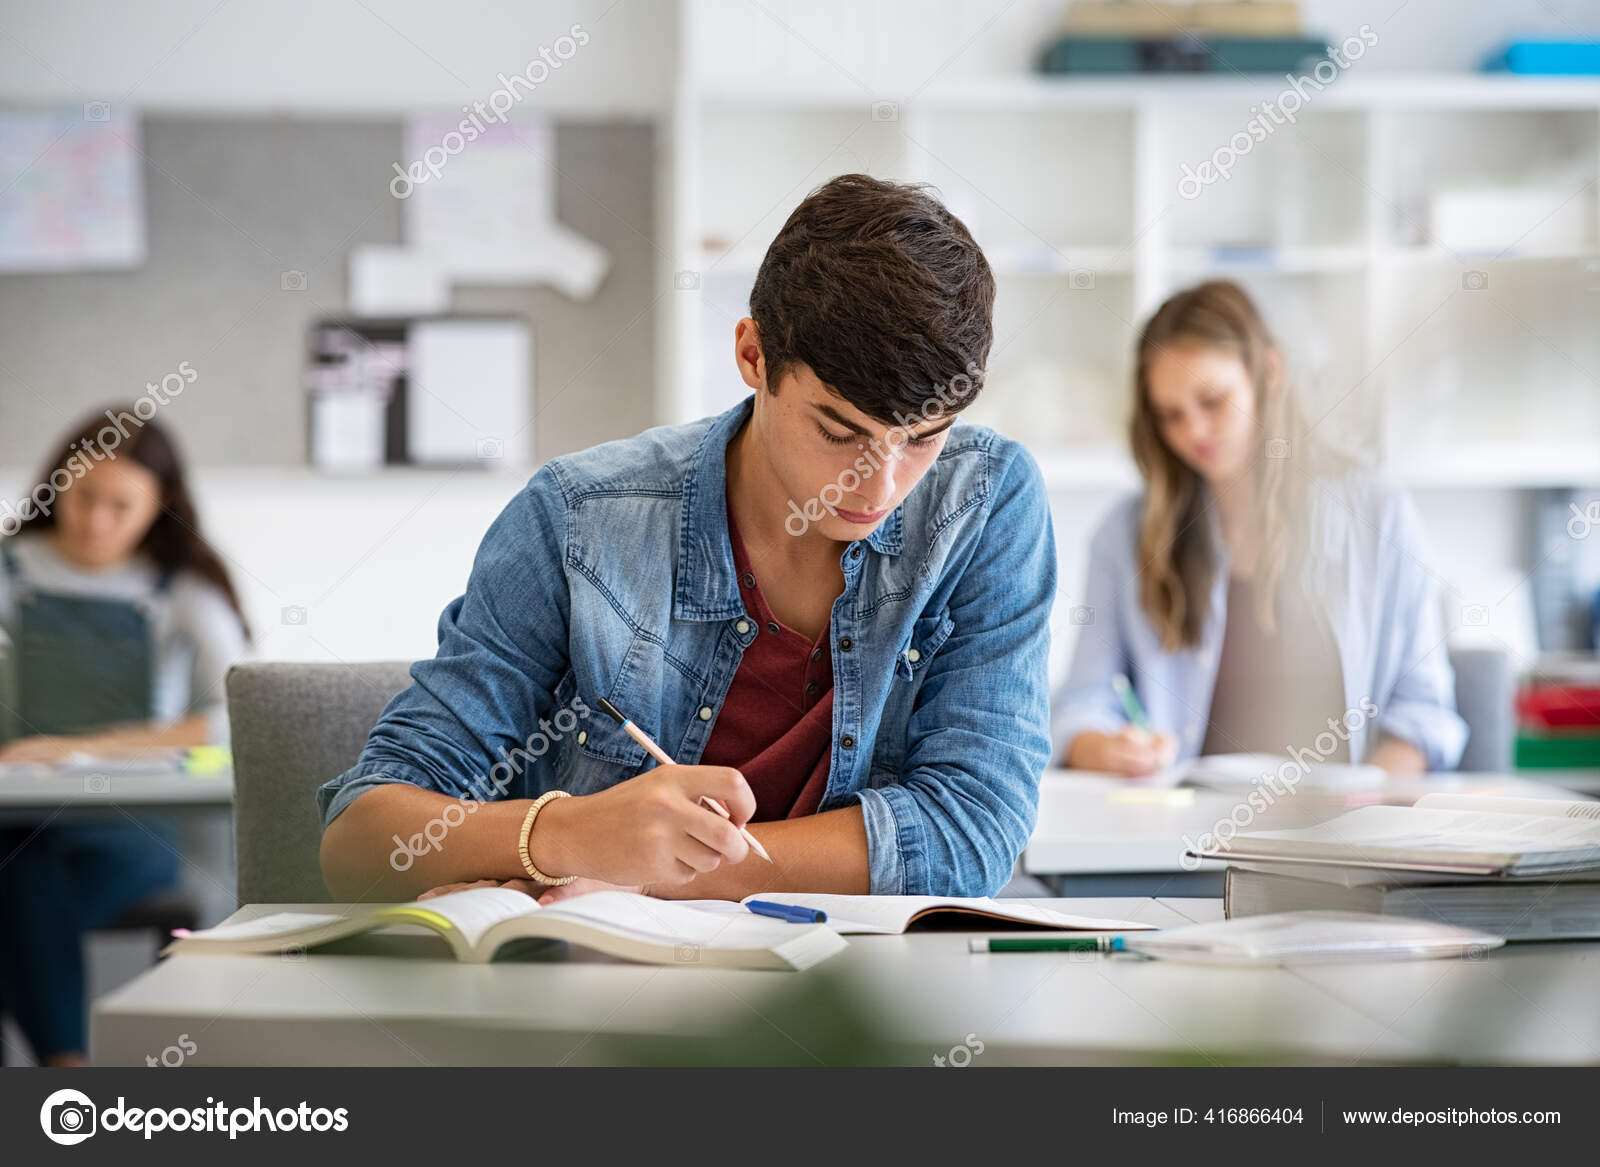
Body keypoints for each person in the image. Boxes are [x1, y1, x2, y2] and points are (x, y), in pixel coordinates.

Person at [317, 173, 1056, 905]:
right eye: (839, 431)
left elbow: (972, 833)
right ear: (752, 355)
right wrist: (568, 832)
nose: (879, 485)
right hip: (616, 999)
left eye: (923, 438)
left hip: (858, 1005)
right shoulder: (577, 519)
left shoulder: (985, 502)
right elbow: (359, 843)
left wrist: (647, 874)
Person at [1053, 279, 1465, 777]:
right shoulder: (1126, 534)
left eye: (1213, 402)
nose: (1194, 433)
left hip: (1341, 836)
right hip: (1184, 841)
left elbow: (1423, 714)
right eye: (1170, 416)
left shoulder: (1378, 512)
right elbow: (1080, 705)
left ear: (1269, 372)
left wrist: (1365, 808)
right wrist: (1107, 748)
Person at [0, 410, 250, 1065]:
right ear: (57, 485)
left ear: (159, 506)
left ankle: (65, 1077)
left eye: (121, 505)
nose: (96, 522)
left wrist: (81, 750)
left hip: (133, 833)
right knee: (21, 864)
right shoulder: (10, 567)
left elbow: (235, 713)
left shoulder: (182, 590)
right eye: (83, 497)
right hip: (18, 820)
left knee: (18, 884)